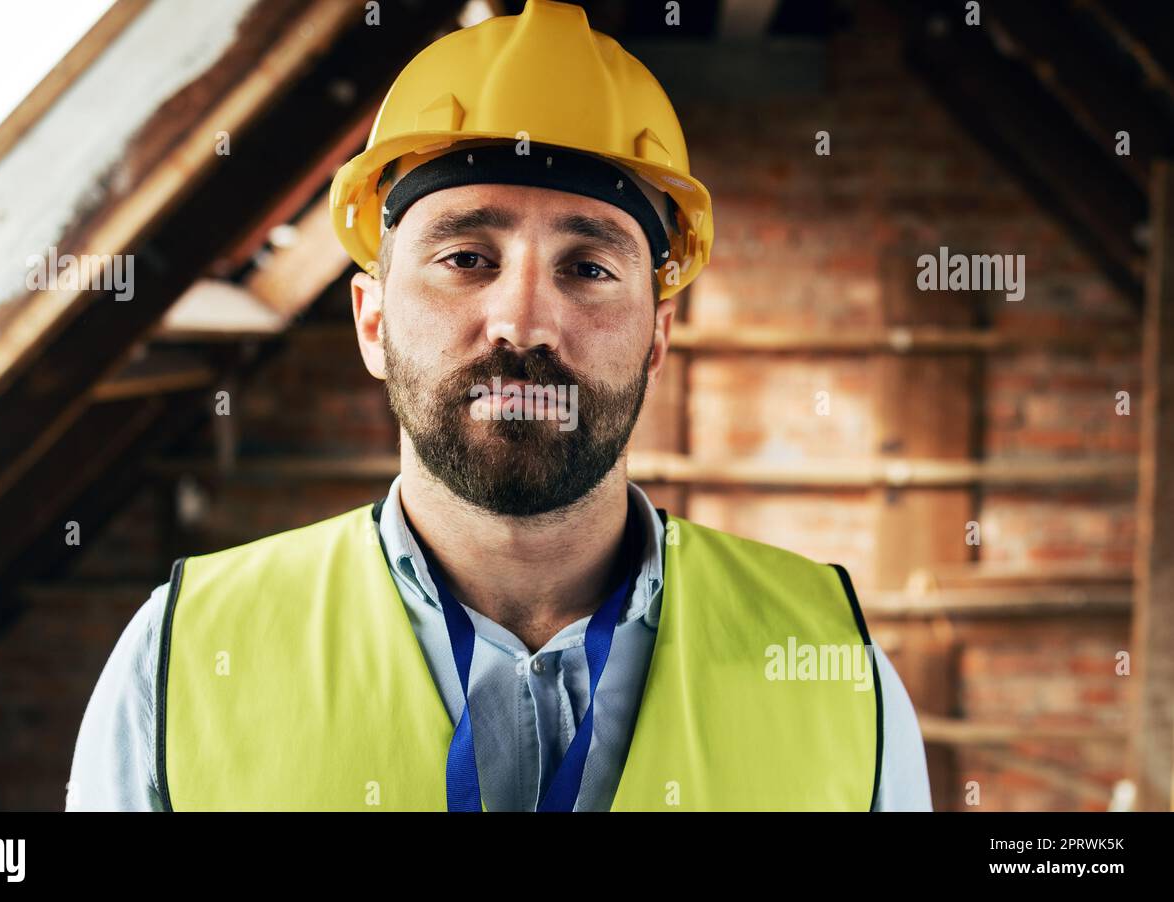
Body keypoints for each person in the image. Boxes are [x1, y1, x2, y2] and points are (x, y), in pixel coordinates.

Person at [68, 0, 931, 812]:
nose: (524, 321)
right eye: (467, 258)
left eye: (588, 268)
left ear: (658, 339)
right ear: (372, 324)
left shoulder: (838, 674)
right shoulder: (175, 668)